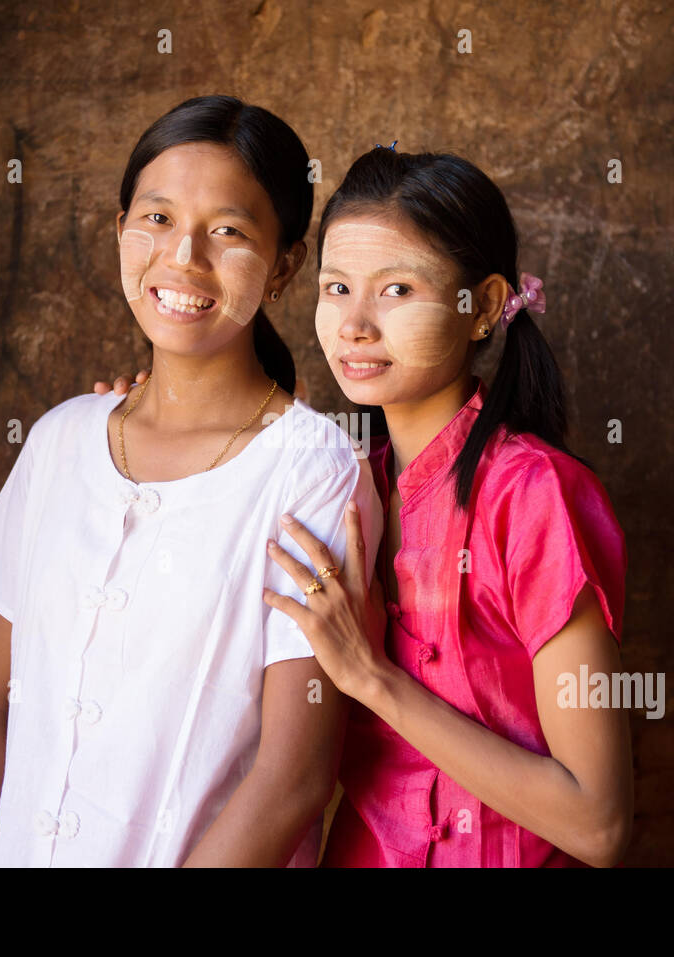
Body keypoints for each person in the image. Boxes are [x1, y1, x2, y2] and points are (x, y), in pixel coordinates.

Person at [97, 145, 632, 867]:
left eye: (398, 290)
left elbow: (599, 825)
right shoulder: (338, 487)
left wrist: (373, 676)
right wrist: (152, 435)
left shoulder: (535, 496)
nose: (355, 324)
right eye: (338, 287)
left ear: (481, 306)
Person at [0, 95, 383, 868]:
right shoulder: (59, 441)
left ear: (285, 262)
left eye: (228, 231)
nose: (183, 257)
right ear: (120, 229)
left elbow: (294, 776)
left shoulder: (311, 470)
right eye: (155, 219)